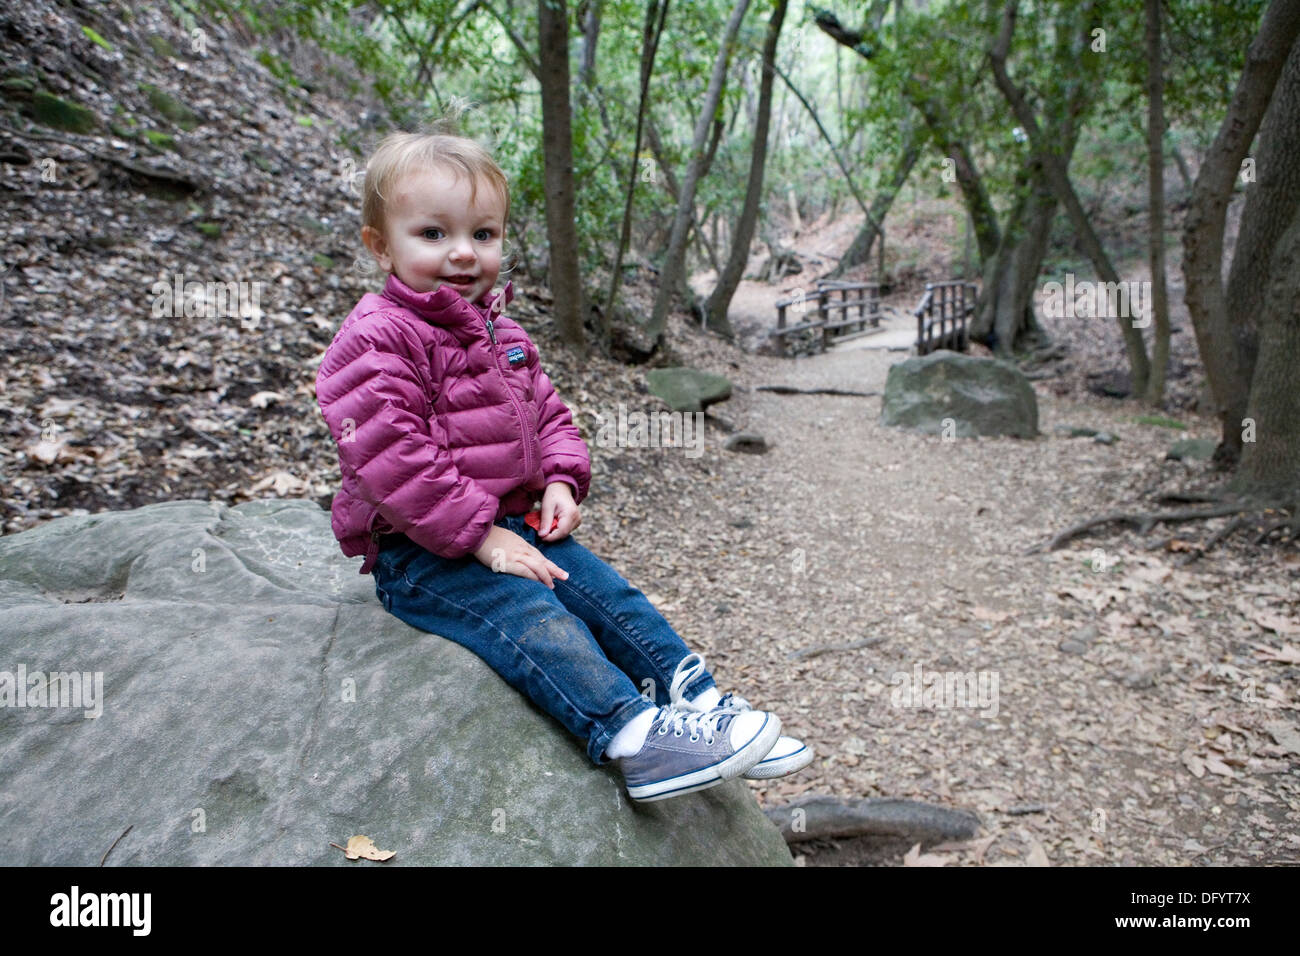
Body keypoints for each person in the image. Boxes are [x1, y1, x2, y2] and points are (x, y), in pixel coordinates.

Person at [315, 125, 813, 802]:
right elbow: (389, 456)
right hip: (424, 553)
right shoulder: (378, 336)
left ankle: (698, 701)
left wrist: (559, 478)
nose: (463, 253)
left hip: (513, 523)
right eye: (434, 234)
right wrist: (481, 537)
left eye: (483, 235)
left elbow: (549, 415)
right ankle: (635, 738)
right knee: (535, 619)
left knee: (607, 595)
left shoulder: (503, 332)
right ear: (381, 246)